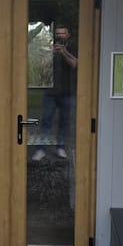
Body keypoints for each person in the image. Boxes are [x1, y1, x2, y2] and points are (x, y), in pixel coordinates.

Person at [32, 24, 77, 161]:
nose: (60, 36)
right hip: (50, 93)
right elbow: (39, 66)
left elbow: (75, 64)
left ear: (68, 35)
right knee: (46, 121)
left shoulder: (73, 49)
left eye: (63, 33)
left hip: (67, 92)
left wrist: (64, 52)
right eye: (58, 33)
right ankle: (41, 149)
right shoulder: (48, 48)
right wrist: (49, 53)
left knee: (64, 121)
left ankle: (60, 148)